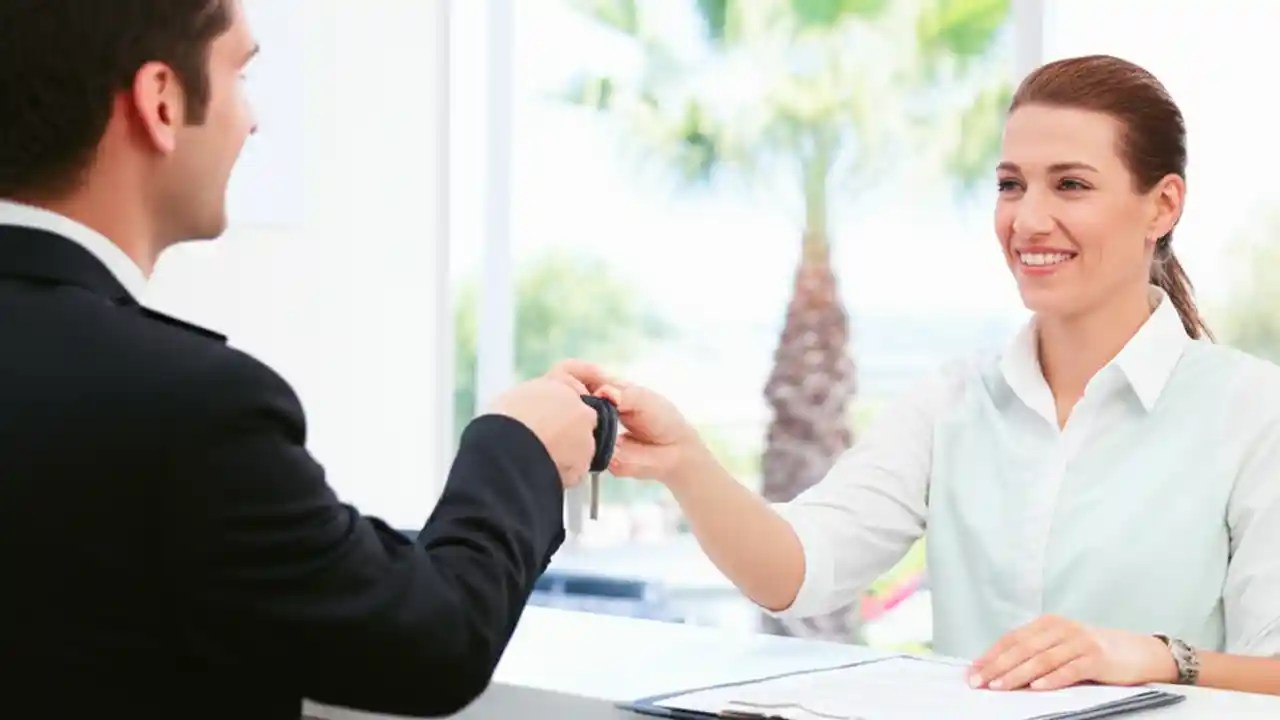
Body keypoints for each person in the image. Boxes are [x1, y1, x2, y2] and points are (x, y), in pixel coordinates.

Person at [590, 55, 1280, 696]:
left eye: (1070, 184)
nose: (1028, 219)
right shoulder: (951, 402)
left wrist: (1156, 658)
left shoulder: (1250, 411)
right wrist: (684, 463)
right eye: (1012, 185)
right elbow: (796, 573)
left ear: (1162, 206)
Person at [0, 1, 604, 716]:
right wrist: (520, 446)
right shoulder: (190, 408)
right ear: (160, 100)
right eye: (241, 76)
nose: (252, 121)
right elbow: (431, 643)